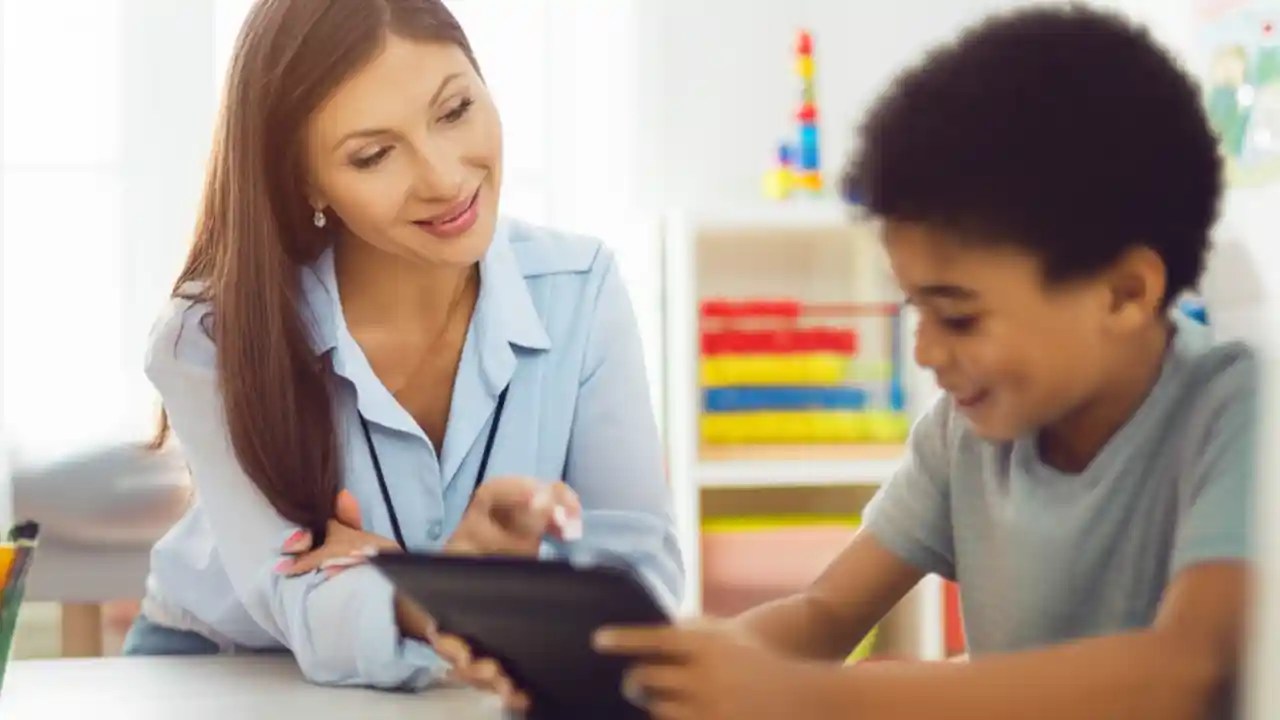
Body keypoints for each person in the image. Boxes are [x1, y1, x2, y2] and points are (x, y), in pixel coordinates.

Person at [593, 7, 1256, 720]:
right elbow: (823, 613)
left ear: (1124, 293)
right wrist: (670, 676)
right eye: (916, 309)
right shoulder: (963, 433)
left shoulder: (1238, 411)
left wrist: (819, 695)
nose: (927, 353)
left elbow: (1188, 670)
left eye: (960, 316)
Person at [124, 0, 683, 701]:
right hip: (215, 672)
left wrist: (472, 580)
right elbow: (295, 598)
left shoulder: (581, 289)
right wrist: (452, 591)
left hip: (458, 675)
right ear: (304, 182)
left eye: (454, 111)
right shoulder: (210, 337)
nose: (445, 177)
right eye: (374, 155)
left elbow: (640, 571)